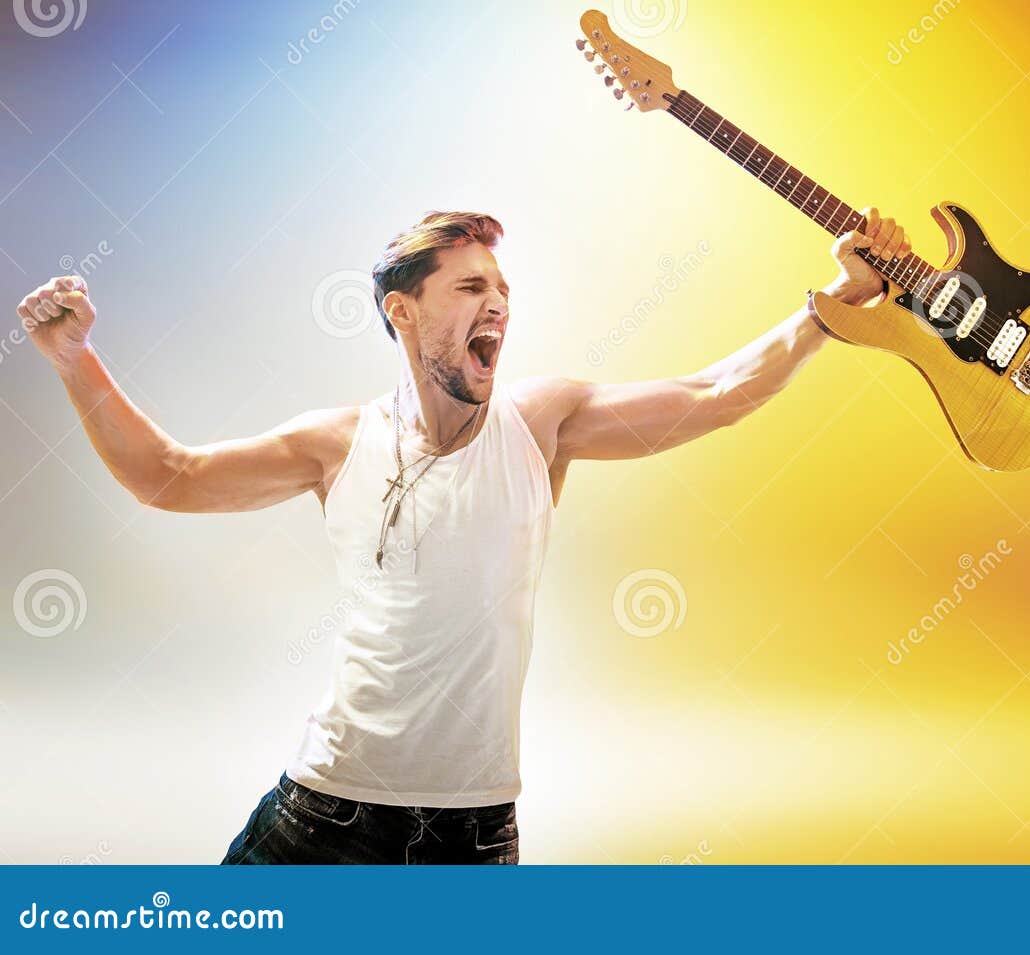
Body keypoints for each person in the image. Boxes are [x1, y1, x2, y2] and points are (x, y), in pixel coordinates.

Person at [14, 206, 910, 864]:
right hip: (325, 817)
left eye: (503, 291)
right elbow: (169, 475)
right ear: (401, 311)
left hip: (473, 836)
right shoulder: (337, 443)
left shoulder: (541, 422)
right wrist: (73, 359)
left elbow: (715, 395)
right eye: (471, 287)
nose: (498, 306)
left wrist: (836, 303)